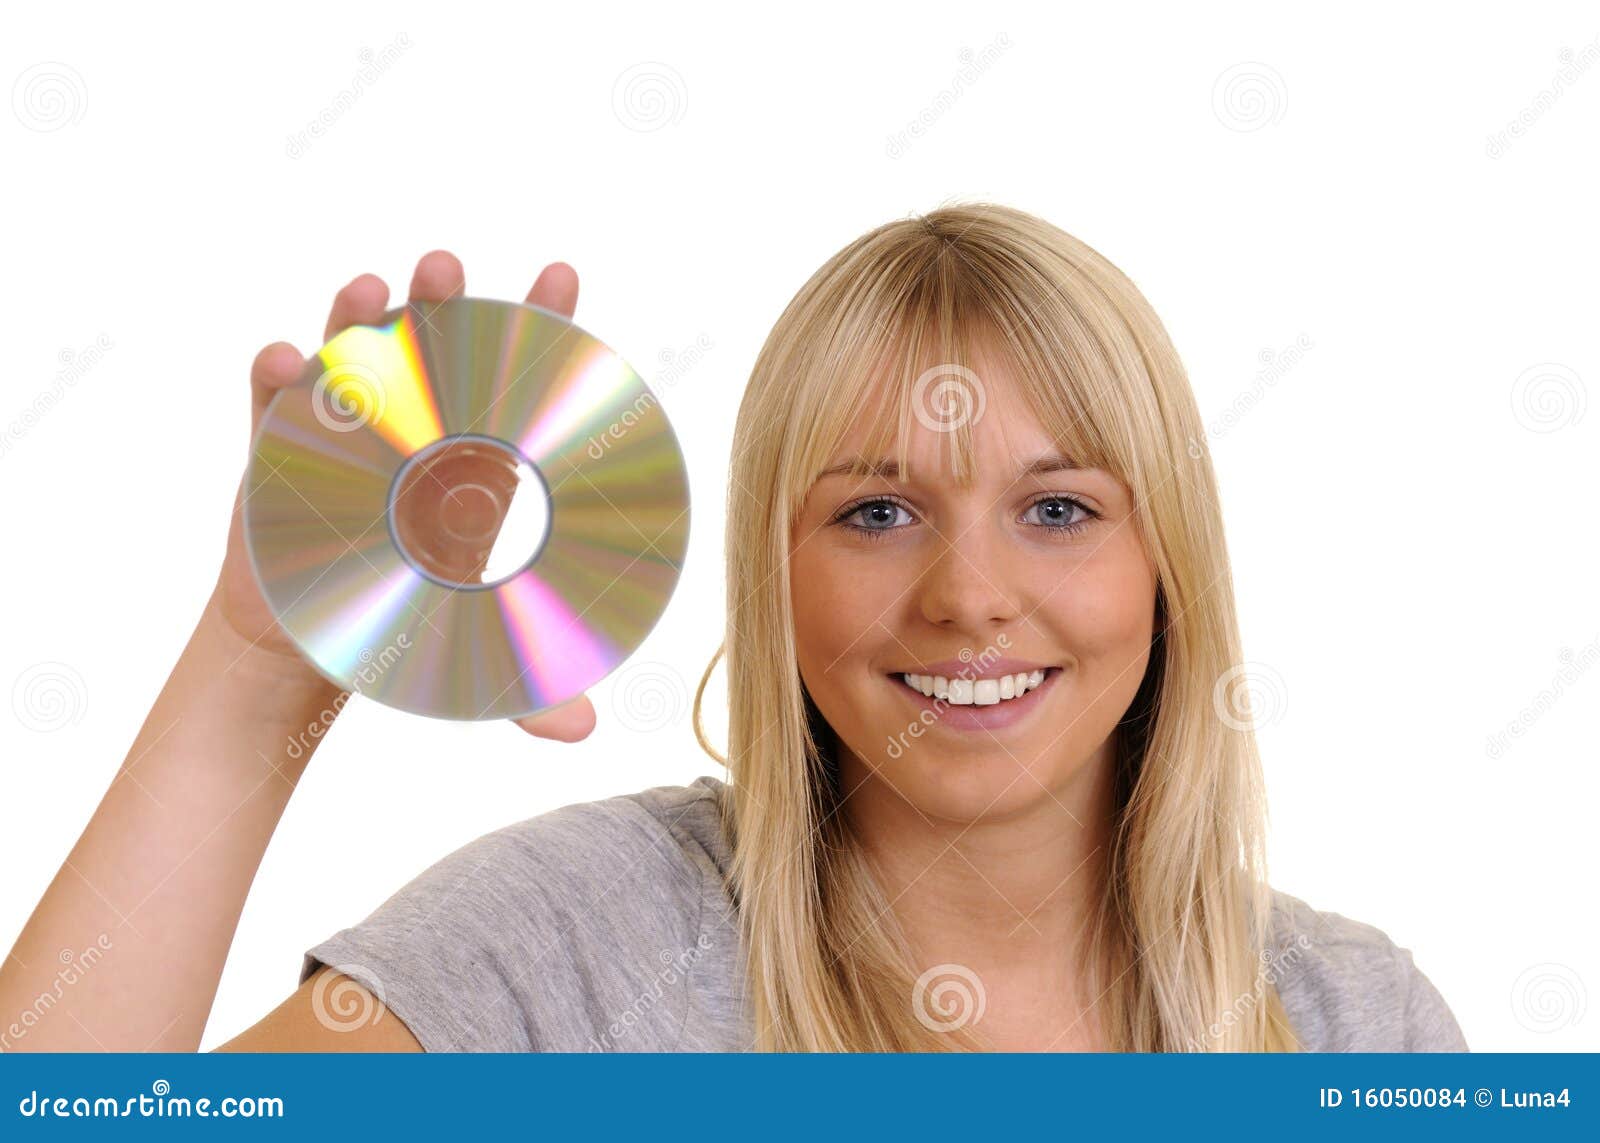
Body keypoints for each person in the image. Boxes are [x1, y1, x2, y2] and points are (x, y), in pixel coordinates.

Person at [0, 203, 1467, 1052]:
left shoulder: (1351, 1023)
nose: (968, 596)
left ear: (1171, 565)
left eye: (1061, 508)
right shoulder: (579, 946)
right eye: (876, 513)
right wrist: (261, 673)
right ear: (774, 572)